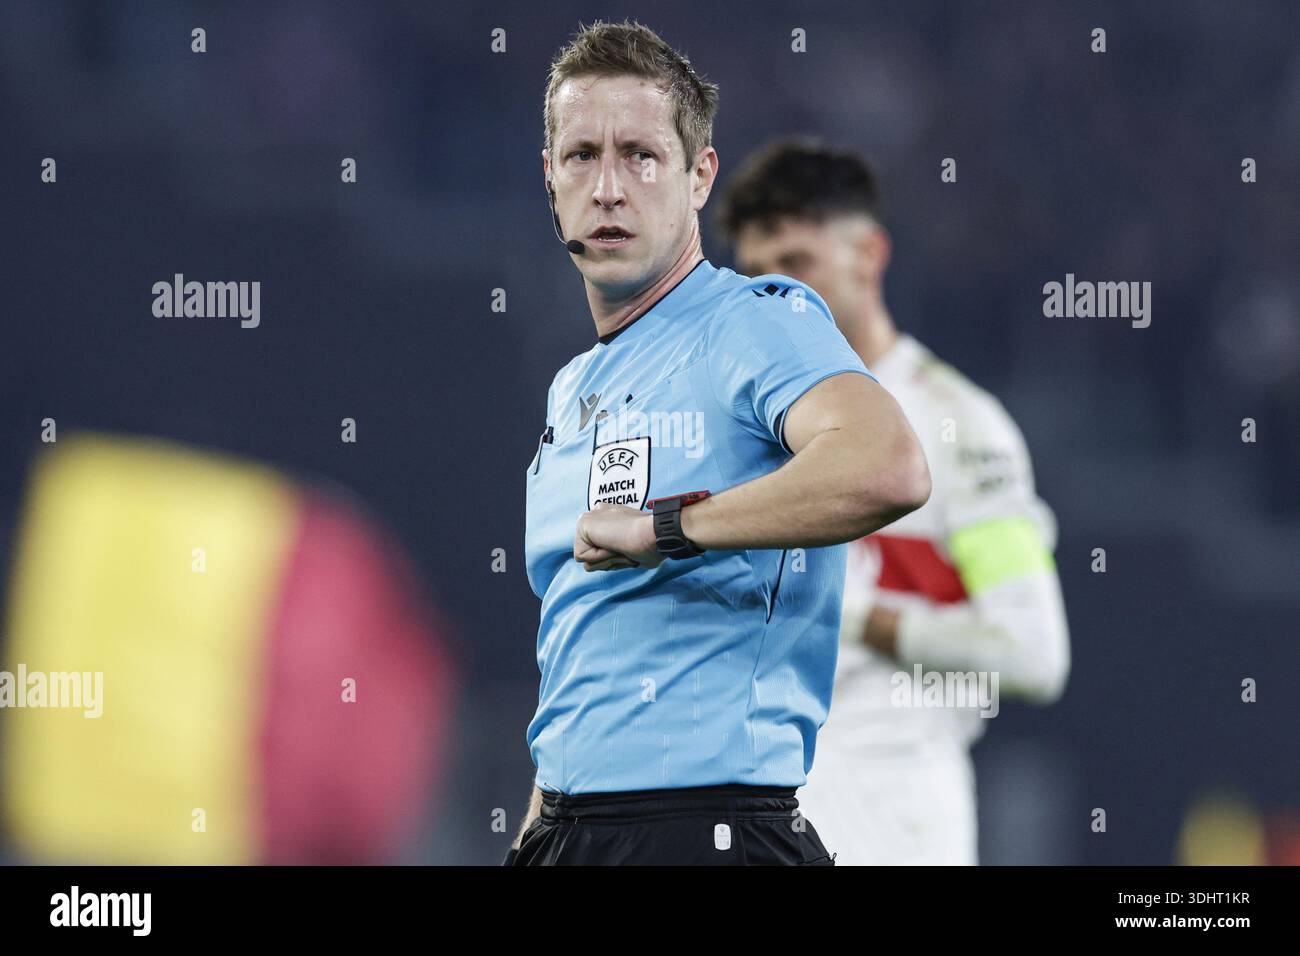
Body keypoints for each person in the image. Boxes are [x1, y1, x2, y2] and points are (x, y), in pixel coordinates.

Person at [509, 22, 931, 866]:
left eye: (640, 155)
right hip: (569, 833)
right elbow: (580, 645)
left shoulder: (757, 320)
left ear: (700, 176)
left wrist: (670, 527)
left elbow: (889, 464)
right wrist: (532, 839)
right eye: (582, 156)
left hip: (710, 831)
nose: (608, 188)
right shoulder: (571, 390)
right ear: (550, 180)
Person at [720, 139, 1071, 865]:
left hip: (898, 825)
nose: (776, 296)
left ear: (869, 254)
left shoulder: (959, 426)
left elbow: (1033, 654)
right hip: (757, 821)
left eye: (798, 266)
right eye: (755, 276)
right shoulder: (734, 427)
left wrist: (861, 617)